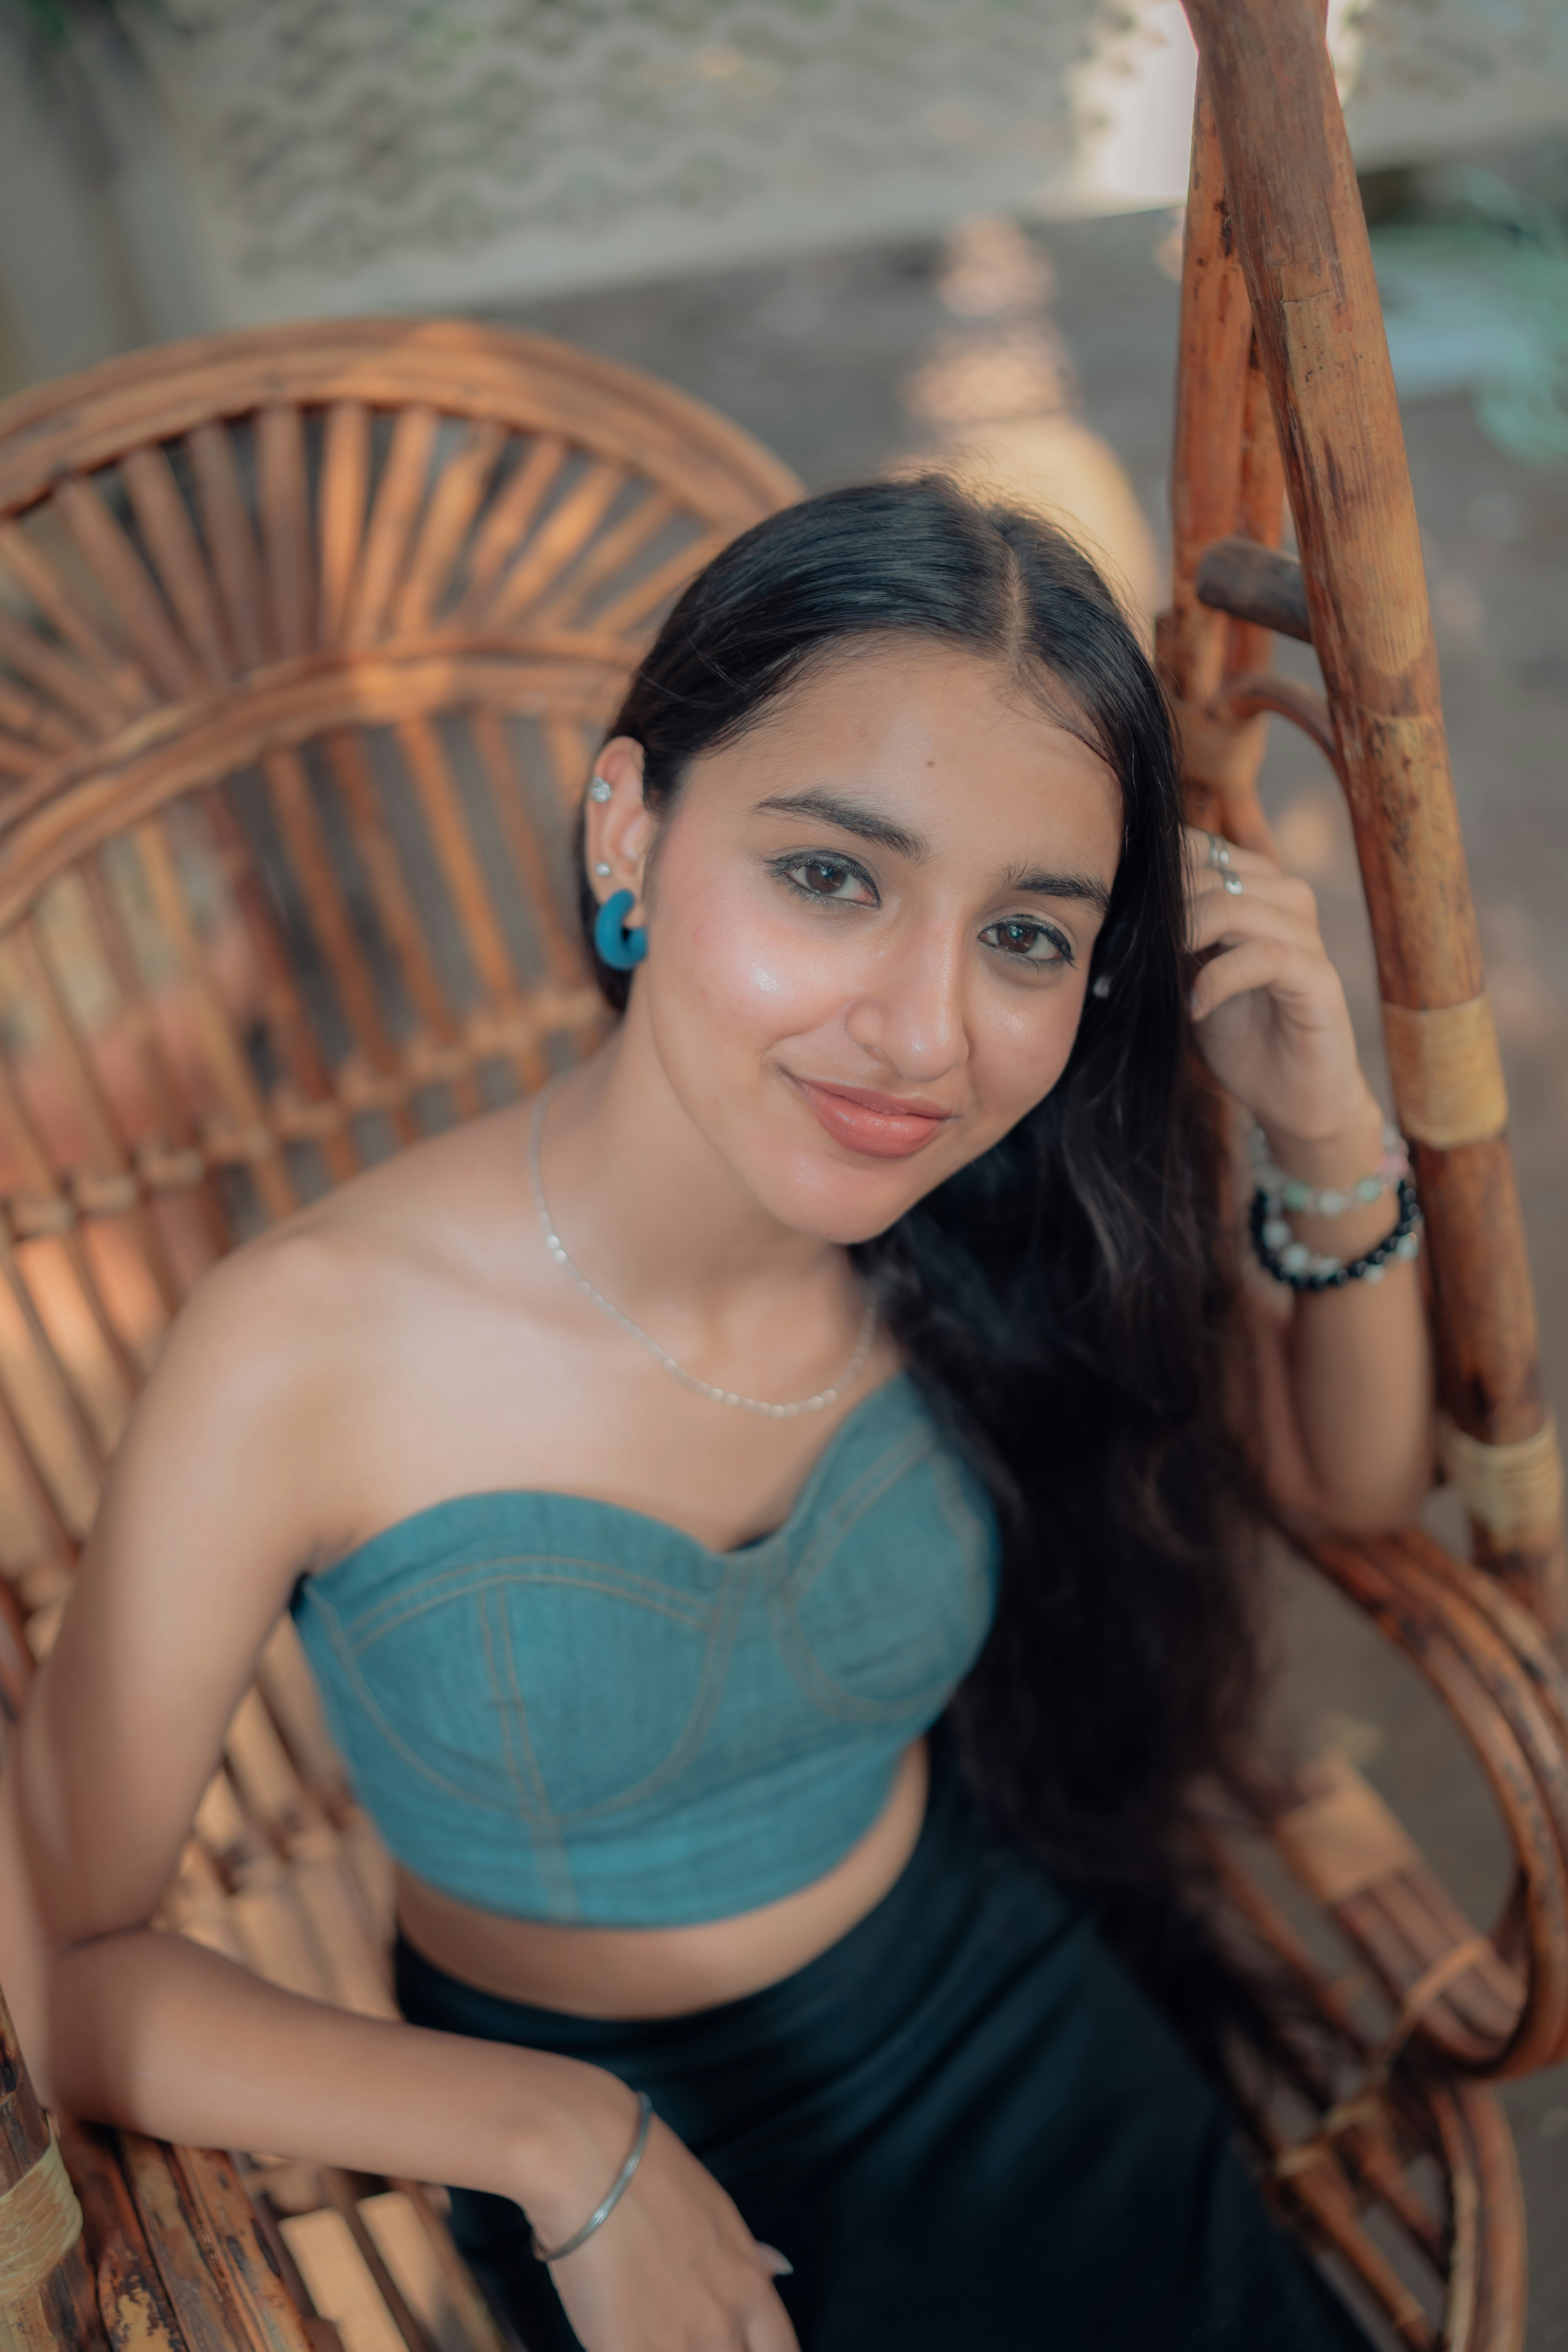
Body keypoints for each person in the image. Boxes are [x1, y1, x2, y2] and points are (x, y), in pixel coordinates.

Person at [0, 479, 1431, 2350]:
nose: (923, 1034)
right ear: (631, 827)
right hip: (598, 2148)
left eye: (1024, 936)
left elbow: (1353, 1473)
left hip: (1017, 2027)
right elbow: (58, 1967)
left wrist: (1325, 1132)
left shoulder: (989, 1225)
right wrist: (557, 2135)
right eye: (832, 877)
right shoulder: (305, 1349)